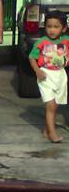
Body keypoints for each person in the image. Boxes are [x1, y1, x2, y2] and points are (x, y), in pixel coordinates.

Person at [28, 10, 69, 143]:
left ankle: (47, 129)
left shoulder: (67, 41)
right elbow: (32, 57)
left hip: (61, 76)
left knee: (55, 106)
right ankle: (53, 134)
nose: (51, 30)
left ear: (64, 28)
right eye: (49, 26)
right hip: (45, 75)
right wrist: (37, 71)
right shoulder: (41, 42)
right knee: (50, 105)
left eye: (56, 27)